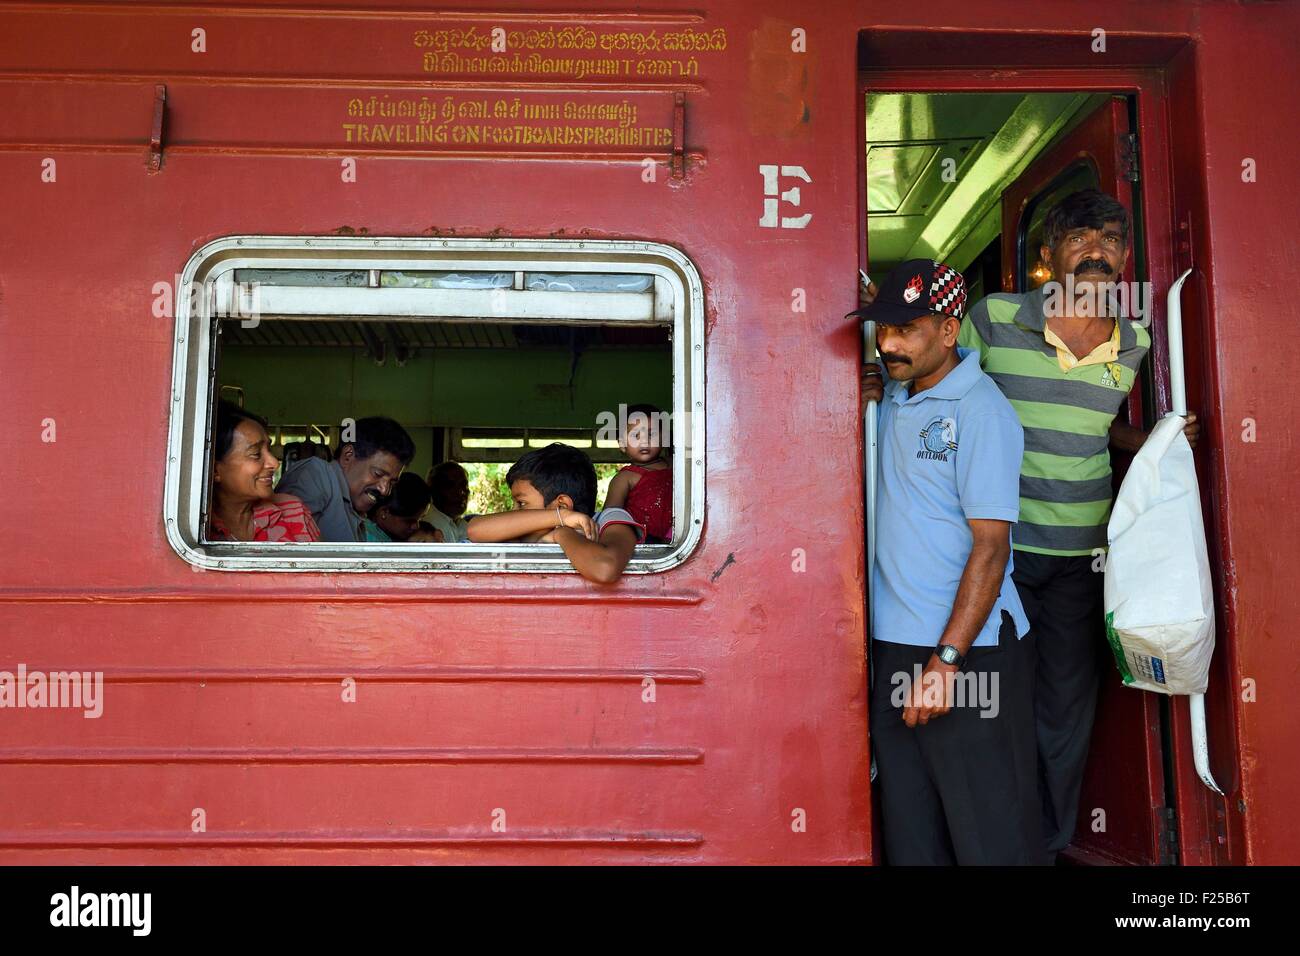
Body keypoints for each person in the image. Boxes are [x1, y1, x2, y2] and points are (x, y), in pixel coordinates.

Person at [849, 259, 1042, 865]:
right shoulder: (897, 399)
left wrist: (947, 661)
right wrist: (871, 406)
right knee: (912, 832)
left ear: (950, 330)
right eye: (883, 329)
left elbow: (992, 546)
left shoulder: (981, 413)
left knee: (986, 834)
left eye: (907, 329)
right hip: (895, 645)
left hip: (967, 650)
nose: (889, 344)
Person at [466, 443, 644, 584]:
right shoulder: (523, 533)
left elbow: (604, 569)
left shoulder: (608, 520)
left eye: (521, 503)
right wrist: (561, 517)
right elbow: (474, 530)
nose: (514, 511)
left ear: (562, 504)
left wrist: (562, 533)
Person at [275, 416, 415, 542]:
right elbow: (290, 555)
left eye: (391, 482)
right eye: (377, 474)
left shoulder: (354, 510)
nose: (384, 490)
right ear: (347, 456)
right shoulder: (315, 474)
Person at [207, 400, 319, 543]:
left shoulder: (294, 511)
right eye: (256, 454)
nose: (274, 463)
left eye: (269, 450)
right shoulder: (193, 529)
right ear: (216, 470)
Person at [603, 403, 672, 543]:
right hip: (642, 543)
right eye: (636, 435)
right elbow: (610, 516)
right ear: (622, 444)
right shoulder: (625, 478)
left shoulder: (676, 466)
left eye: (651, 434)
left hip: (681, 540)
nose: (644, 440)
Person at [363, 472, 433, 542]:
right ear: (384, 513)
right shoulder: (371, 541)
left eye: (420, 519)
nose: (416, 527)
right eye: (409, 521)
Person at [425, 461, 471, 543]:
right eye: (450, 486)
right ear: (434, 491)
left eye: (464, 485)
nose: (461, 492)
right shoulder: (428, 525)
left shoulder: (463, 525)